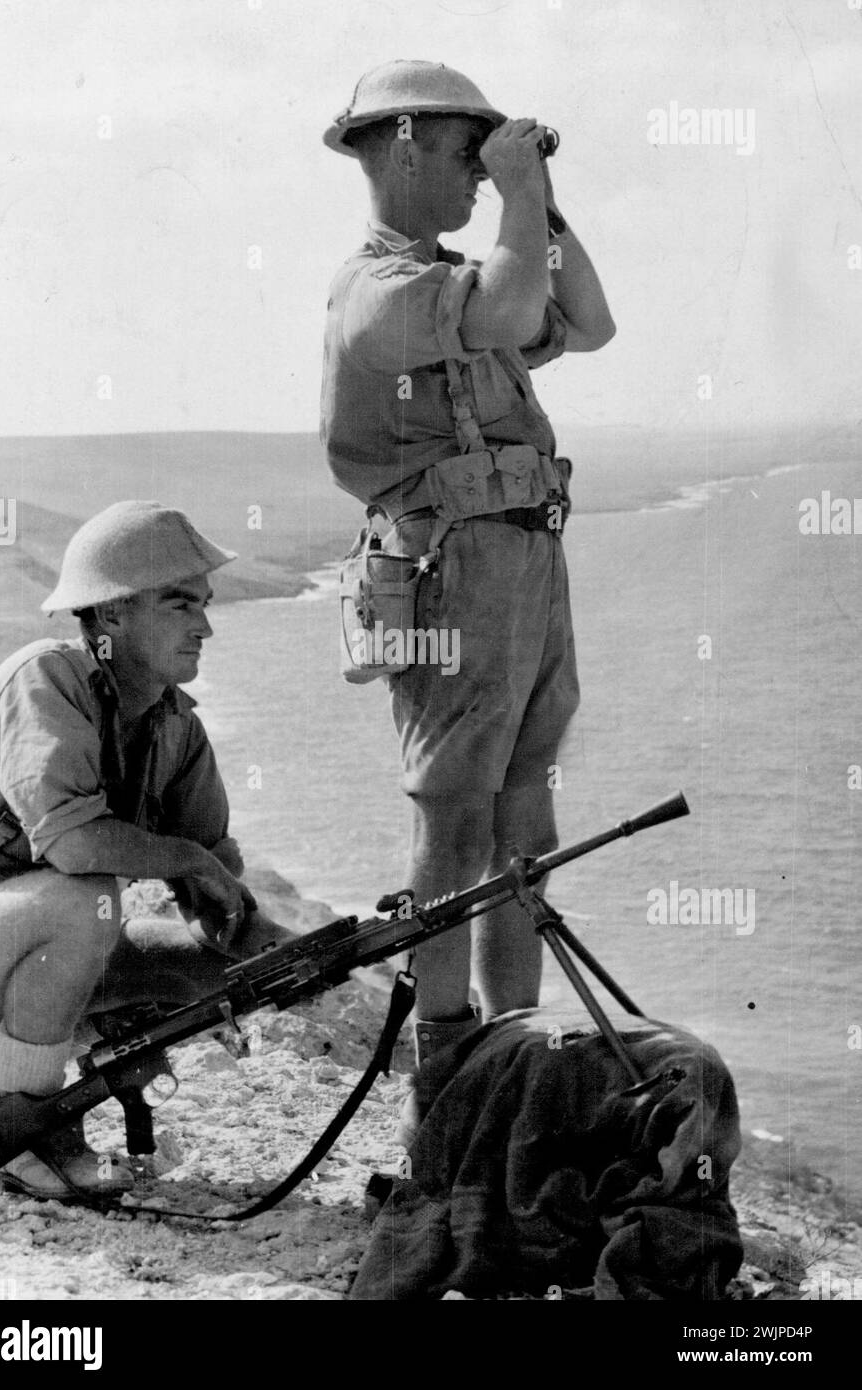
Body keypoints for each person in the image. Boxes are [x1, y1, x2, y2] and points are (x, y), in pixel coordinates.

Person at [320, 61, 616, 1132]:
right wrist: (521, 199)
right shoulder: (383, 291)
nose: (473, 182)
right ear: (398, 145)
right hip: (448, 571)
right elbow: (516, 301)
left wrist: (537, 189)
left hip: (523, 561)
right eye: (460, 155)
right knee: (454, 823)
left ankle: (513, 1047)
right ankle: (445, 1073)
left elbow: (587, 321)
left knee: (523, 815)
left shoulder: (454, 275)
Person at [0, 500, 290, 1200]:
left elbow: (215, 873)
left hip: (8, 947)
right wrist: (188, 864)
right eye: (178, 605)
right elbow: (75, 847)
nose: (205, 625)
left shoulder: (174, 727)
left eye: (202, 604)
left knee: (214, 960)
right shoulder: (45, 678)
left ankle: (8, 1071)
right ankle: (21, 1126)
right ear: (108, 617)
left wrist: (299, 951)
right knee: (86, 898)